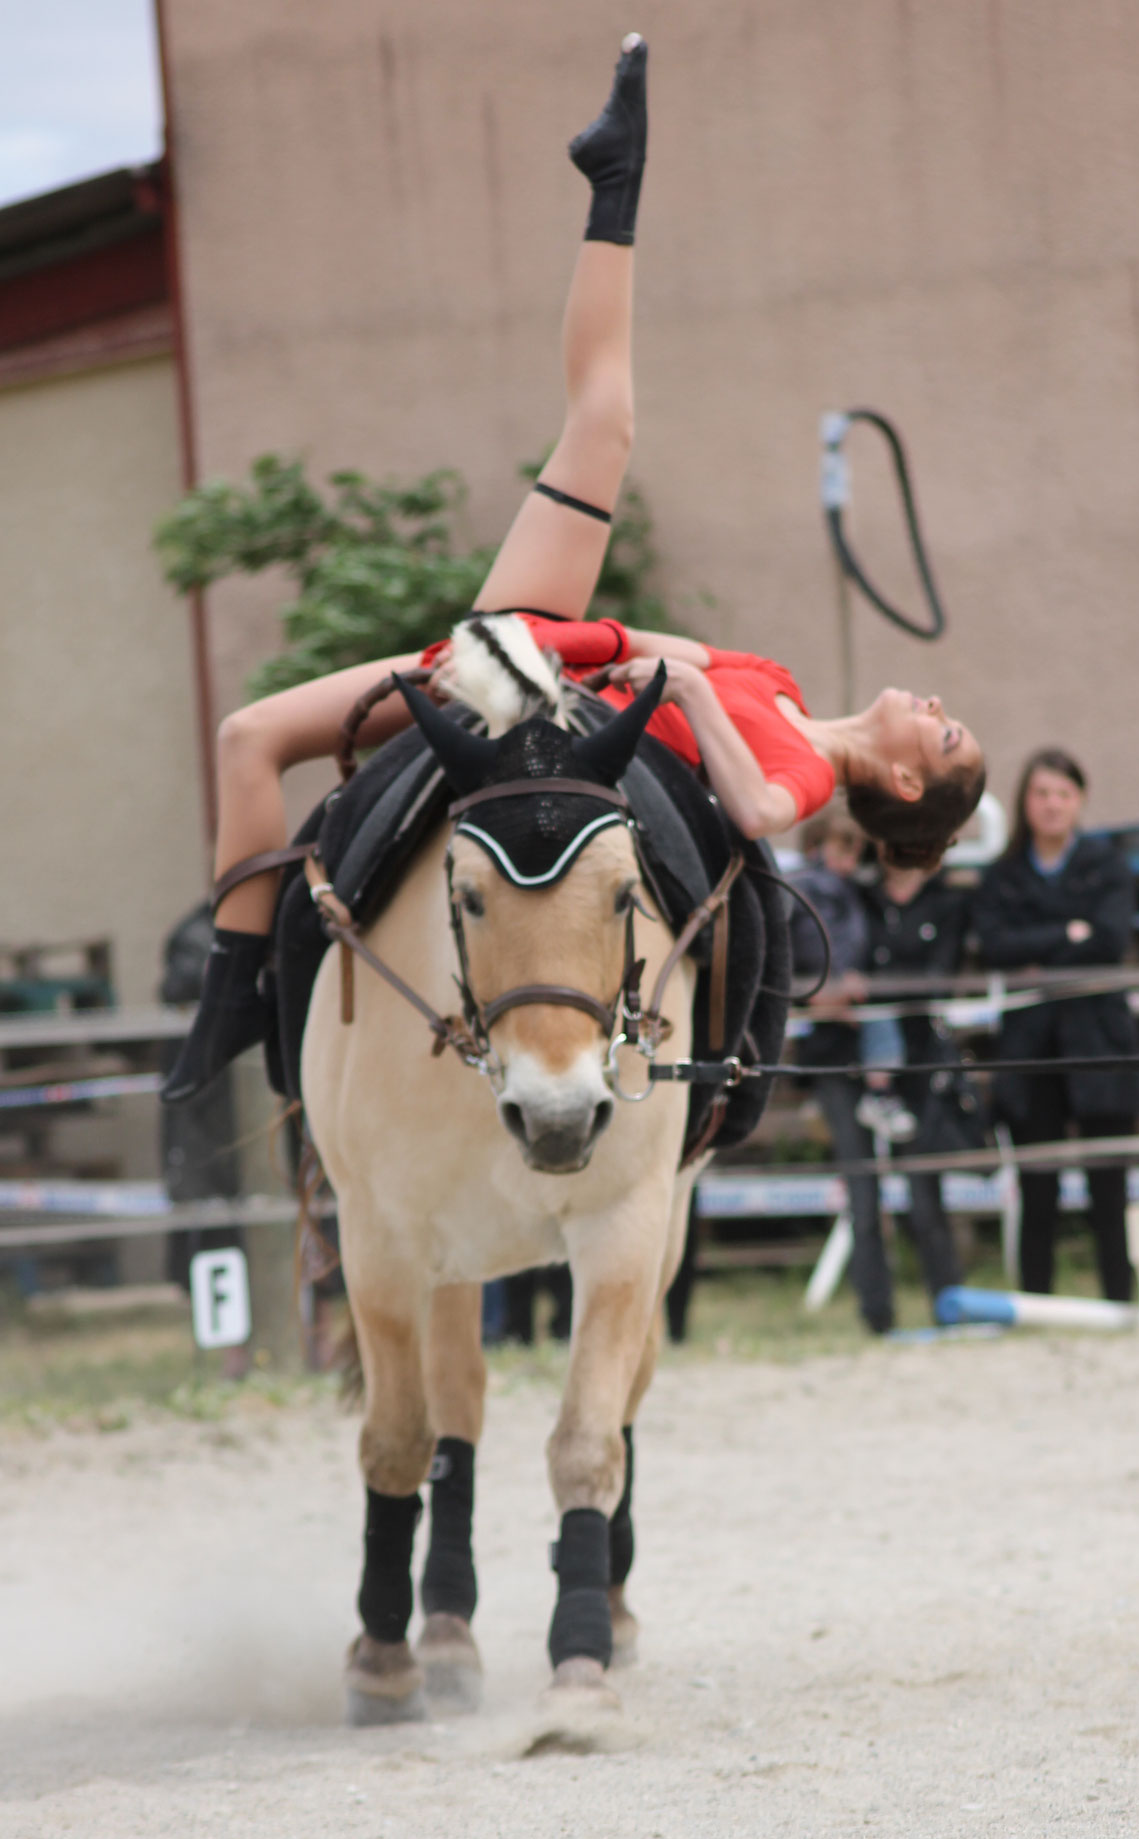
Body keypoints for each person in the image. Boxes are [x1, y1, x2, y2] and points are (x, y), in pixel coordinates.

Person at [165, 36, 985, 1106]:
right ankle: (616, 181)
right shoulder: (775, 681)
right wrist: (559, 647)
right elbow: (647, 648)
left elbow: (760, 810)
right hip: (533, 661)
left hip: (527, 706)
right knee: (602, 423)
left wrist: (659, 684)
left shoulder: (811, 767)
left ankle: (237, 996)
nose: (931, 701)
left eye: (944, 727)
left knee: (250, 737)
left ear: (908, 779)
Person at [972, 747, 1139, 1302]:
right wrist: (1064, 935)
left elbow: (1110, 939)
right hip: (1031, 1048)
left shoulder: (1107, 864)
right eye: (1041, 794)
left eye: (1063, 795)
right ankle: (1037, 1303)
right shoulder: (1002, 874)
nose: (1052, 805)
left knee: (1108, 1186)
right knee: (1036, 1186)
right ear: (1026, 802)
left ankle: (1120, 1299)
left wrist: (1039, 962)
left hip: (1099, 1043)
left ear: (1080, 801)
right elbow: (993, 946)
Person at [790, 817, 967, 1332]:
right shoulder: (842, 895)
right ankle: (878, 1318)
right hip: (838, 1057)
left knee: (924, 1191)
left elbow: (935, 977)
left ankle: (947, 1304)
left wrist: (864, 992)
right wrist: (821, 995)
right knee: (862, 1194)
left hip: (908, 1059)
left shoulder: (930, 901)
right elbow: (799, 961)